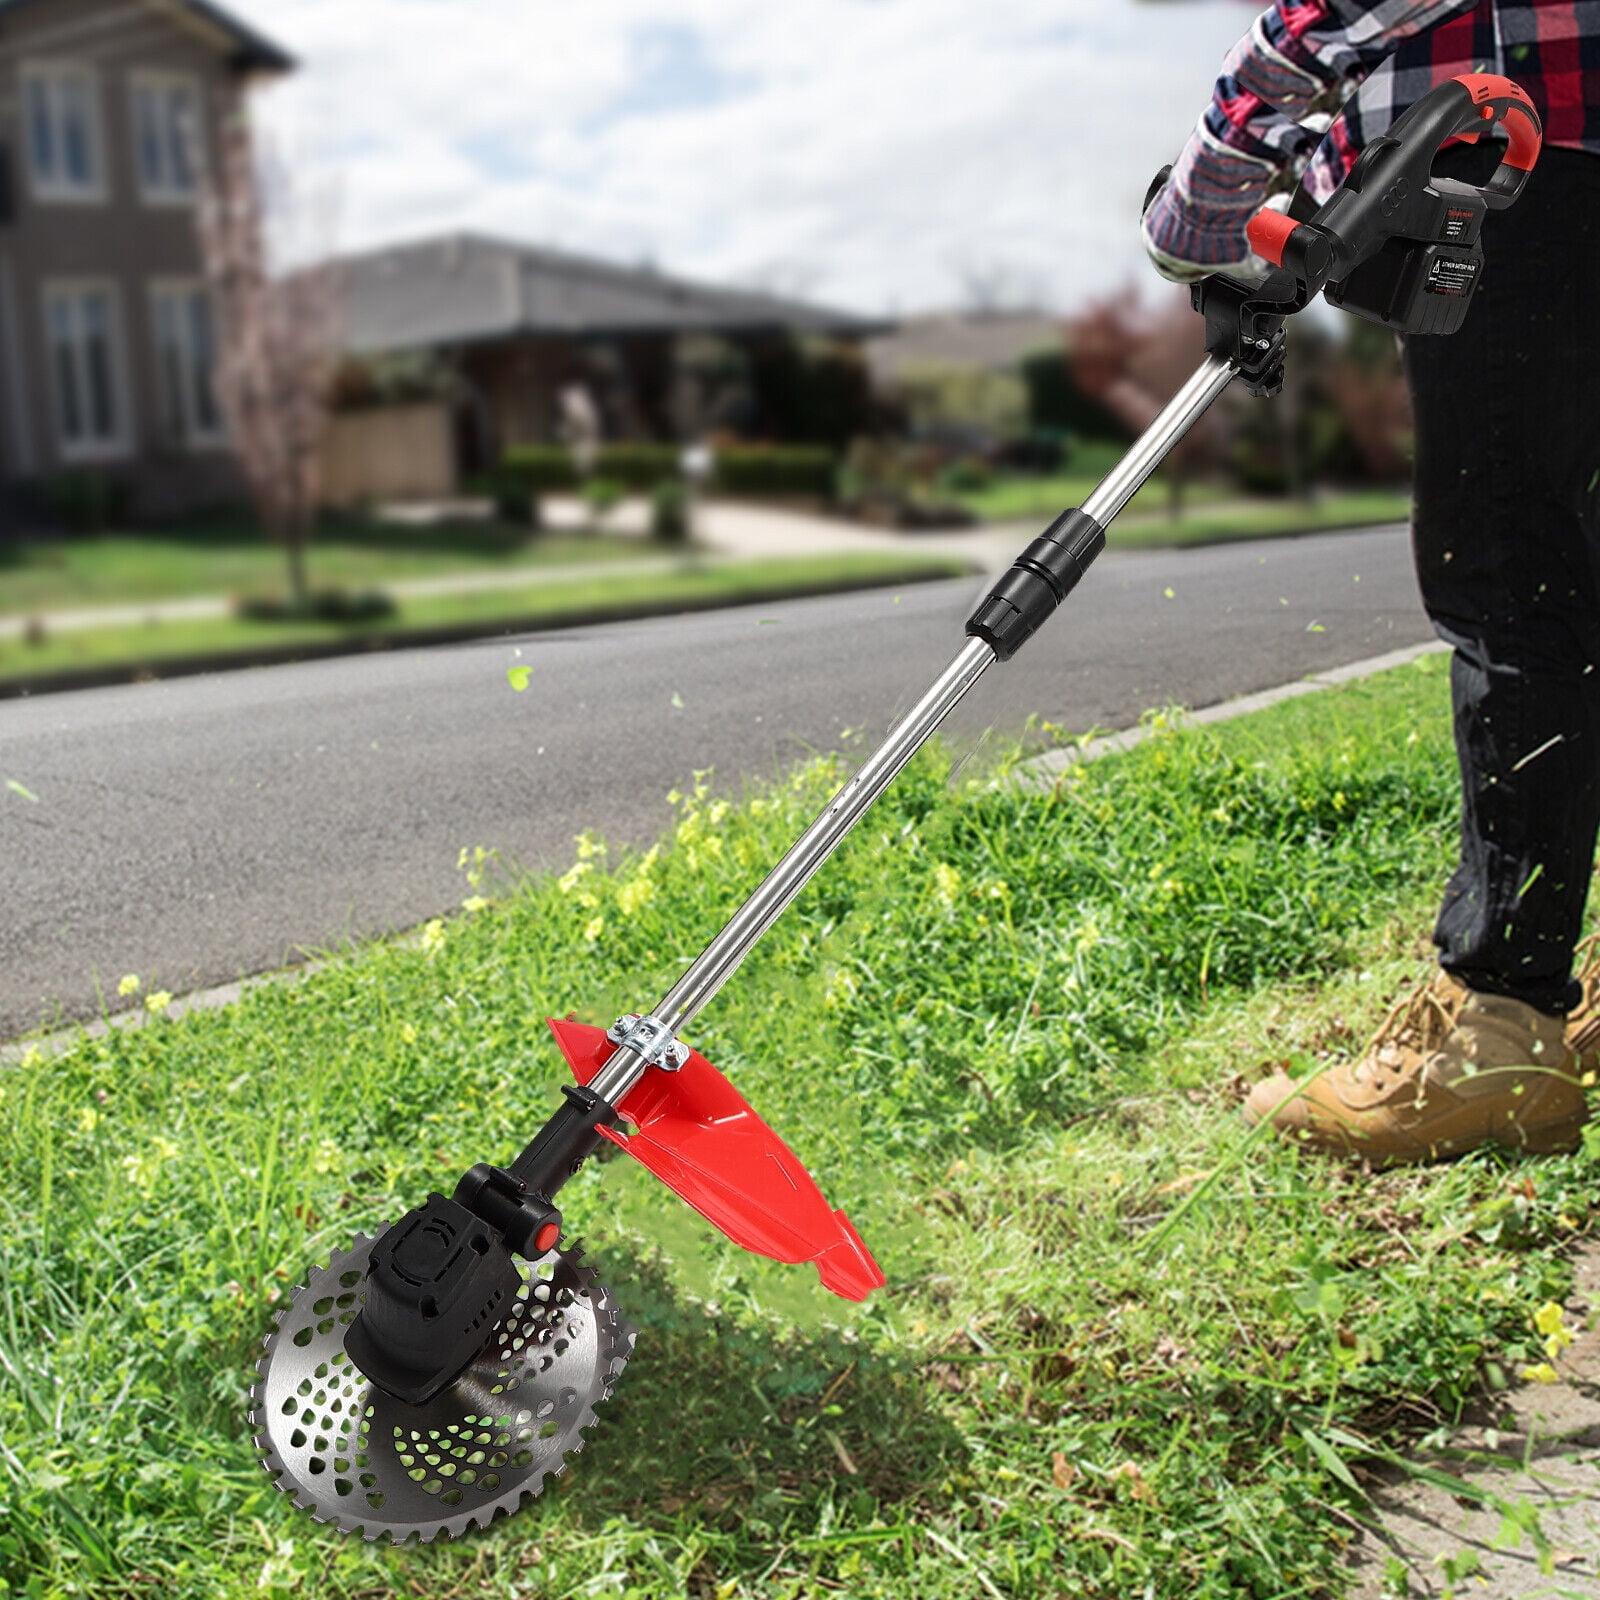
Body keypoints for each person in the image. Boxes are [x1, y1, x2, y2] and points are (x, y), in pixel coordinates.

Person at [1142, 0, 1600, 1164]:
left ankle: (1504, 1020)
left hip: (1525, 154)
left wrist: (1221, 162)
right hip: (1530, 146)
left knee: (1510, 573)